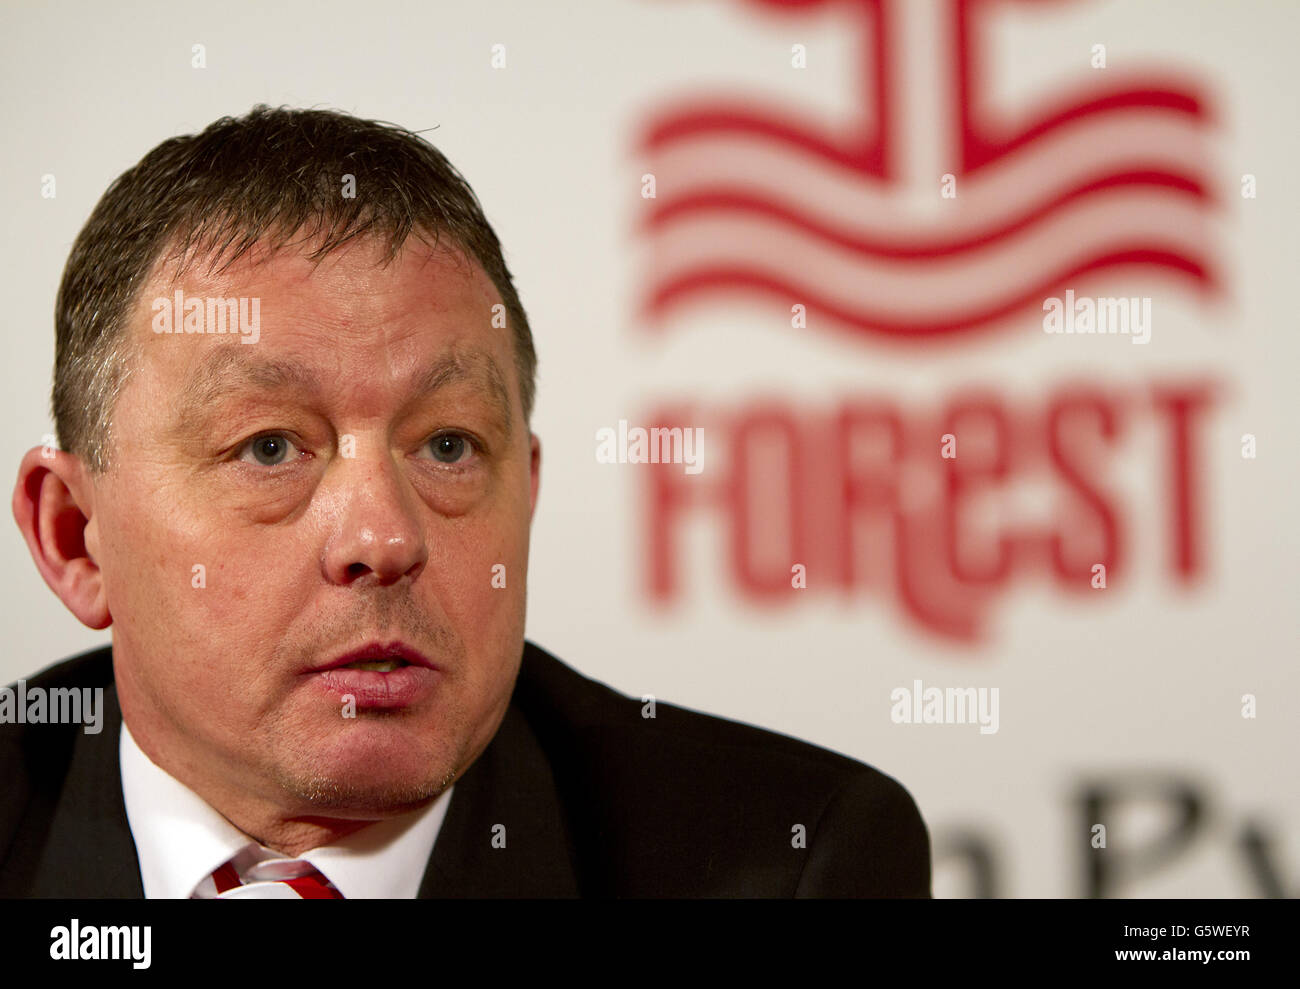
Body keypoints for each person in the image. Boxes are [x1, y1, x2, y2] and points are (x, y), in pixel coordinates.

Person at [1, 106, 930, 897]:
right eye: (270, 447)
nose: (384, 538)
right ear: (75, 536)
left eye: (448, 446)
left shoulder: (783, 863)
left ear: (526, 491)